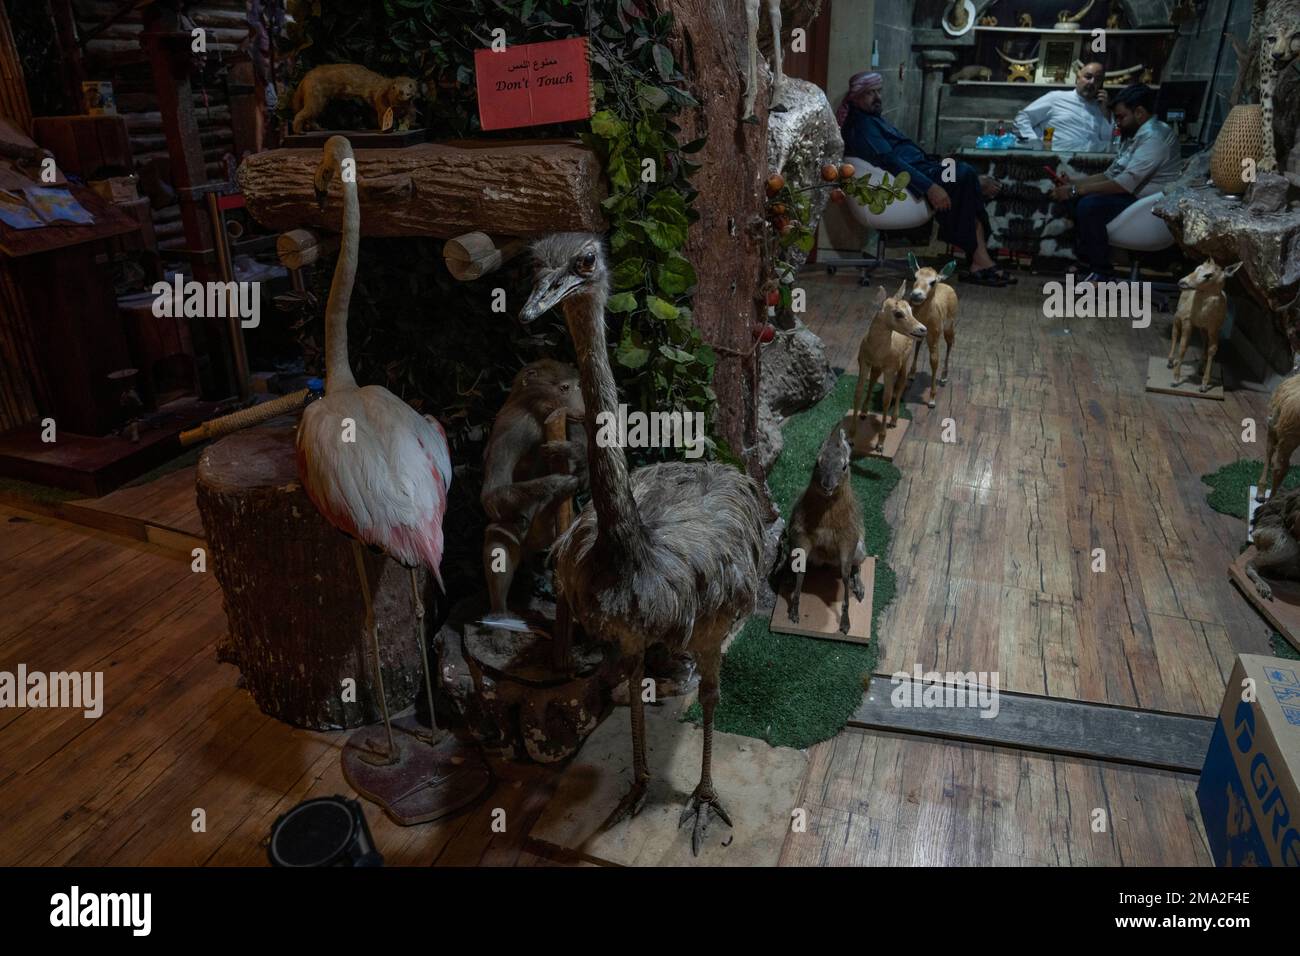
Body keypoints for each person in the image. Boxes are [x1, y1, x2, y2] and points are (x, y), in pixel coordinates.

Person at [836, 70, 1013, 286]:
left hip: (923, 167)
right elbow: (892, 161)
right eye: (869, 93)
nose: (877, 97)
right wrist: (930, 187)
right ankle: (980, 261)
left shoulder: (871, 119)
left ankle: (979, 258)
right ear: (855, 97)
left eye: (878, 91)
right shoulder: (861, 126)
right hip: (909, 181)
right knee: (964, 174)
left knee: (961, 171)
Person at [1049, 84, 1182, 278]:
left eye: (1121, 117)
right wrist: (1074, 184)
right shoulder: (1135, 134)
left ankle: (1101, 272)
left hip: (1150, 207)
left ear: (1139, 112)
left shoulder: (1155, 138)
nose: (1117, 123)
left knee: (1089, 205)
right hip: (1133, 198)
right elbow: (1111, 174)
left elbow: (1124, 183)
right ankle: (1089, 262)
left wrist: (1076, 191)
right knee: (1076, 200)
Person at [1013, 61, 1113, 151]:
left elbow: (1107, 142)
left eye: (1097, 80)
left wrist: (1106, 113)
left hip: (1087, 163)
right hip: (1053, 159)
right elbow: (1022, 118)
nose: (1092, 82)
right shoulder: (1056, 97)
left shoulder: (1102, 109)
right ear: (1078, 78)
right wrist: (1034, 143)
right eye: (1088, 77)